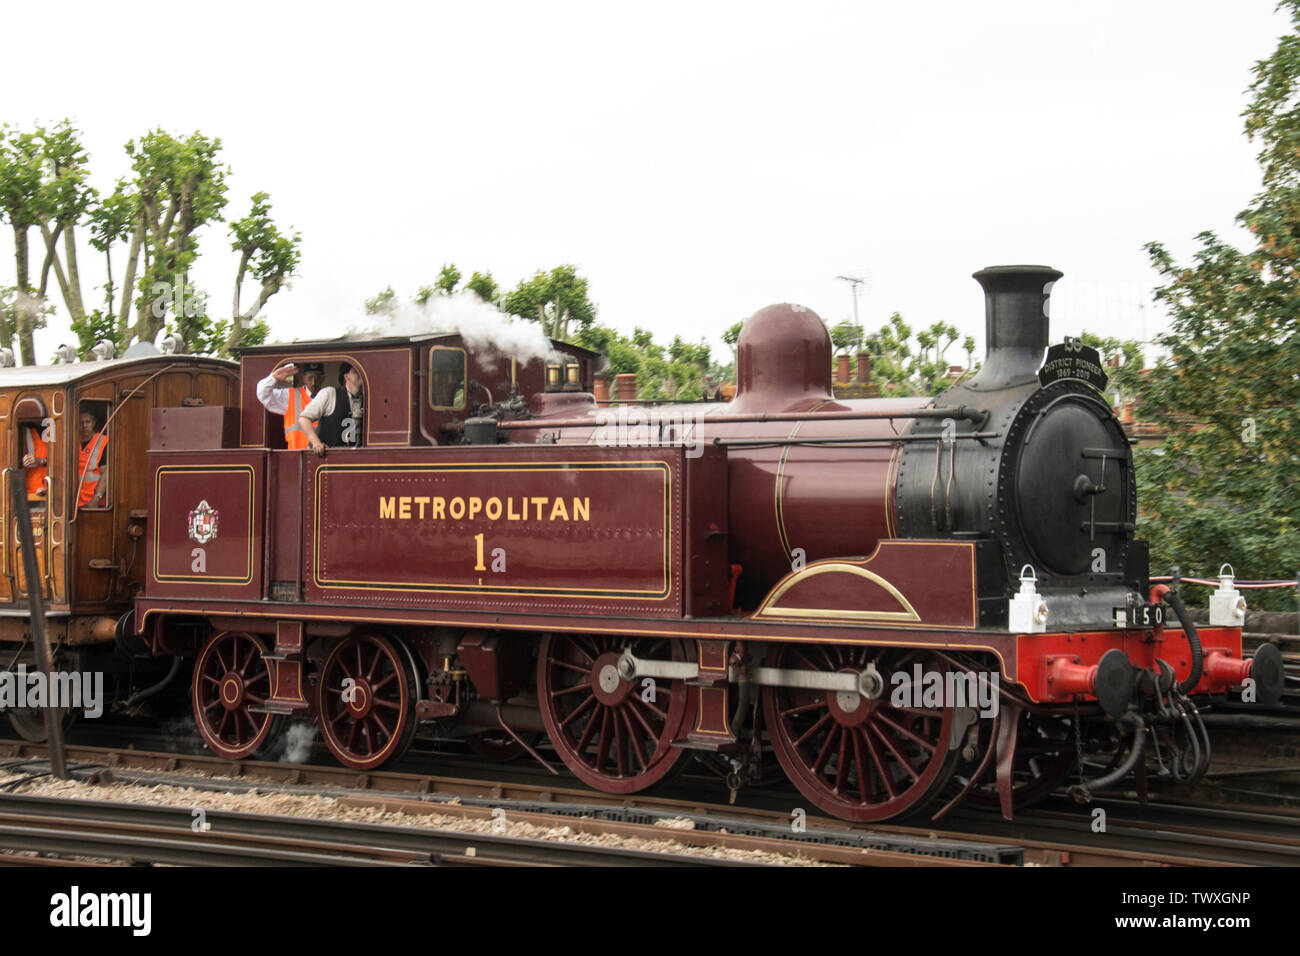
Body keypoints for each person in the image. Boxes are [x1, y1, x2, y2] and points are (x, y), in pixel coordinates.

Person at [299, 362, 364, 456]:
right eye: (356, 372)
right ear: (346, 377)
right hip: (325, 461)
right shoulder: (330, 393)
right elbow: (304, 419)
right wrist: (316, 443)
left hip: (351, 460)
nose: (361, 375)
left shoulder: (366, 401)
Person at [256, 361, 324, 449]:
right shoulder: (290, 396)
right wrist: (273, 378)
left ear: (323, 379)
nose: (313, 382)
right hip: (297, 455)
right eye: (310, 378)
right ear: (303, 378)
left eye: (317, 378)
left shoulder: (329, 396)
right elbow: (263, 395)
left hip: (323, 455)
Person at [76, 410, 108, 508]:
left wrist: (96, 498)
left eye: (87, 422)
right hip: (73, 501)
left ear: (93, 423)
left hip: (93, 502)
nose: (84, 426)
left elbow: (106, 473)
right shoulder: (71, 439)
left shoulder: (102, 441)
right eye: (81, 422)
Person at [21, 423, 48, 503]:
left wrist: (41, 461)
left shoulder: (55, 431)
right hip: (30, 494)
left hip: (50, 491)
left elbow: (59, 461)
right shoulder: (22, 432)